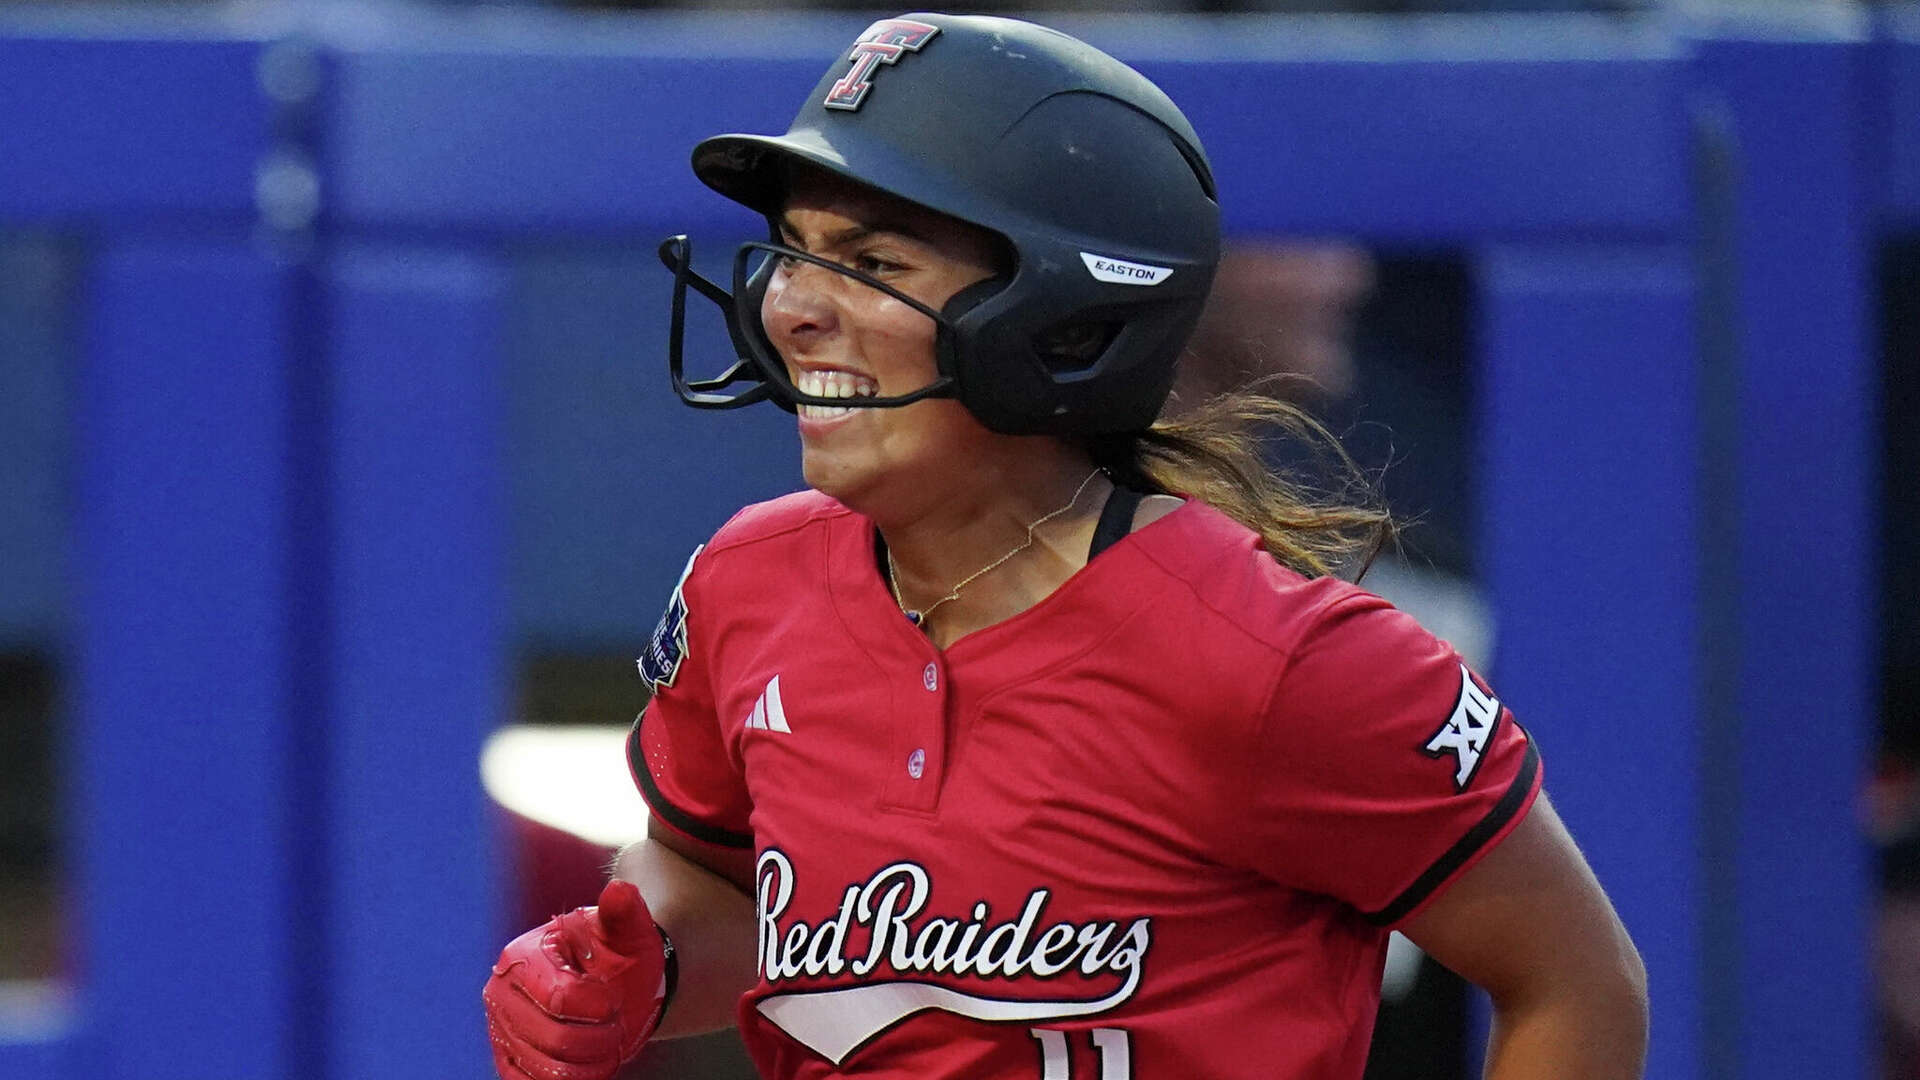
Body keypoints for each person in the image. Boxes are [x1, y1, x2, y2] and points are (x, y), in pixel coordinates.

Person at [482, 13, 1648, 1079]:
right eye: (795, 249)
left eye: (875, 264)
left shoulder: (1285, 661)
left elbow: (1576, 983)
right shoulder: (749, 581)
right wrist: (637, 962)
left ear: (1067, 319)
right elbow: (741, 905)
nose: (792, 305)